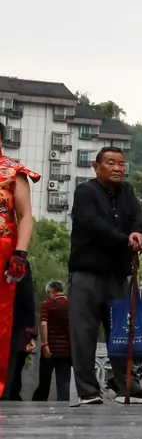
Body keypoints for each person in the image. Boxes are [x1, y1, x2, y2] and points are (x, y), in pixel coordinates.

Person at [68, 146, 142, 404]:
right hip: (87, 273)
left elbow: (137, 219)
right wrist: (126, 240)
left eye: (121, 163)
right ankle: (88, 391)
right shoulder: (85, 192)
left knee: (123, 331)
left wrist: (138, 234)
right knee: (84, 332)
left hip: (119, 274)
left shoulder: (127, 192)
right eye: (111, 163)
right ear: (96, 167)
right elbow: (93, 225)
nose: (118, 168)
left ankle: (126, 387)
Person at [0, 145, 35, 401]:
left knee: (2, 318)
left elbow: (24, 215)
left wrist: (20, 253)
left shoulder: (13, 172)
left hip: (3, 250)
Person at [33, 281, 72, 402]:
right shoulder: (71, 305)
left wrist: (45, 344)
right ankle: (64, 408)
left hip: (48, 351)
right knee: (64, 383)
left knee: (44, 383)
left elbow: (43, 323)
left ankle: (39, 406)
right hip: (65, 351)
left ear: (51, 291)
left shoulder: (47, 305)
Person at [5, 271, 35, 400]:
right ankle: (4, 392)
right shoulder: (19, 262)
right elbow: (26, 294)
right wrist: (30, 325)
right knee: (10, 358)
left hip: (12, 318)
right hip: (12, 319)